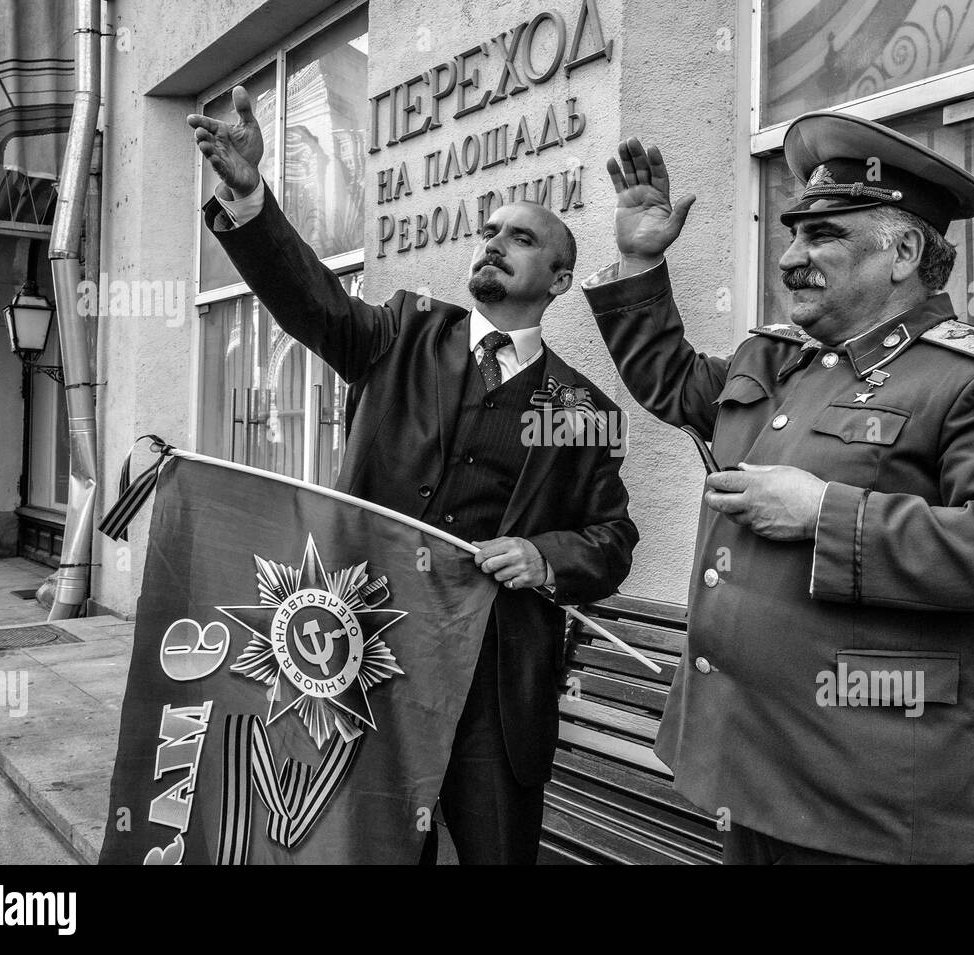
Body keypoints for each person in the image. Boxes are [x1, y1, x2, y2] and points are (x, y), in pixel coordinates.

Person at [581, 111, 974, 864]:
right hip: (747, 770)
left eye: (824, 236)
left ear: (904, 250)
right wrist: (642, 264)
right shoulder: (780, 360)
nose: (790, 258)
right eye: (793, 234)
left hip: (866, 801)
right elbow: (675, 382)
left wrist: (823, 513)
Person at [188, 87, 638, 865]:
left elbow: (613, 538)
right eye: (488, 231)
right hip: (363, 658)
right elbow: (310, 301)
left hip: (494, 689)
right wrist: (250, 199)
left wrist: (544, 555)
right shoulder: (399, 332)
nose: (494, 243)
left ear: (560, 278)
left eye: (521, 239)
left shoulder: (579, 405)